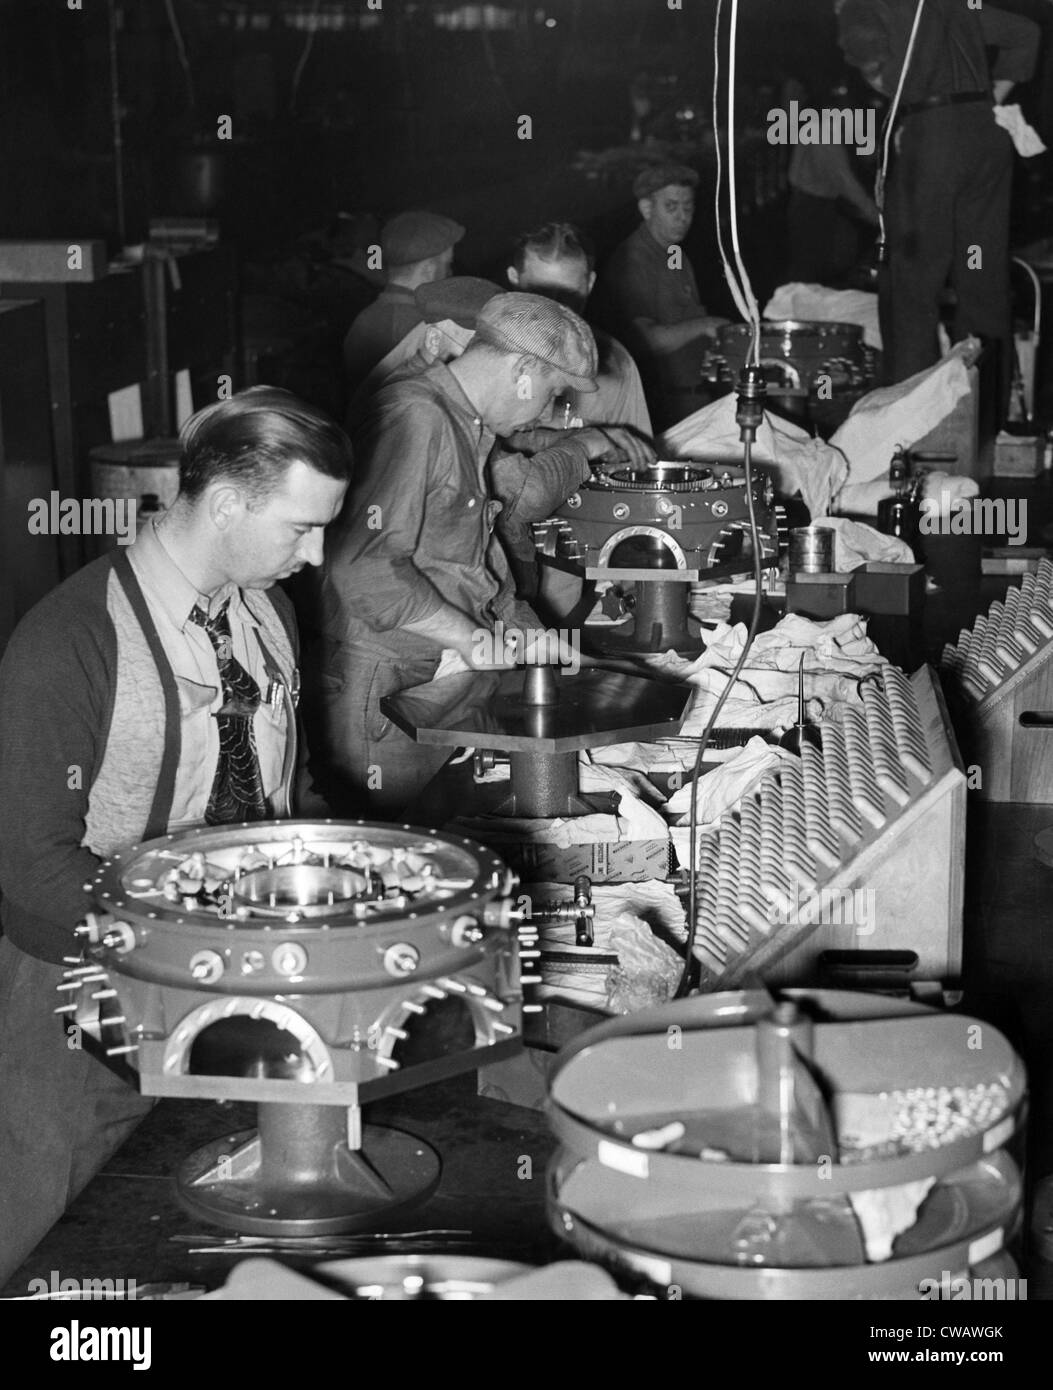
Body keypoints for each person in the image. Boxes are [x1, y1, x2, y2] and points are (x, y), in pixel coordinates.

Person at [0, 387, 352, 1282]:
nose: (314, 557)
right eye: (300, 529)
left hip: (236, 978)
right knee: (48, 1238)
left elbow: (288, 785)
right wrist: (195, 945)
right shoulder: (69, 643)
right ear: (227, 504)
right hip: (77, 1004)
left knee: (209, 1234)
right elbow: (30, 867)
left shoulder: (262, 612)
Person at [311, 292, 650, 819]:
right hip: (382, 682)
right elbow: (363, 566)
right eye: (551, 394)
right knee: (394, 845)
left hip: (429, 675)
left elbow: (476, 567)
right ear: (523, 370)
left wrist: (542, 643)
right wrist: (470, 638)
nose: (544, 412)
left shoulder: (469, 425)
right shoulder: (414, 417)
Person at [836, 0, 1039, 407]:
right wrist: (991, 95)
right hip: (986, 137)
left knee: (913, 282)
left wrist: (893, 91)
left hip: (931, 141)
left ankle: (909, 415)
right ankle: (988, 412)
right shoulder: (958, 6)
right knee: (980, 268)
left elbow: (866, 49)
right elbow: (1026, 34)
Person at [593, 163, 727, 428]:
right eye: (672, 207)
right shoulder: (634, 260)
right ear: (646, 209)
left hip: (694, 394)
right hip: (664, 405)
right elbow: (645, 340)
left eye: (688, 208)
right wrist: (706, 325)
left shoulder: (676, 254)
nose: (682, 217)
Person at [507, 221, 653, 437]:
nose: (555, 311)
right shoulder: (482, 353)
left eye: (568, 297)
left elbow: (633, 460)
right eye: (541, 295)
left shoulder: (616, 363)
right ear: (514, 278)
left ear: (590, 284)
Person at [341, 209, 465, 387]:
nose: (450, 273)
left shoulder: (362, 321)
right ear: (428, 269)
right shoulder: (427, 327)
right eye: (448, 265)